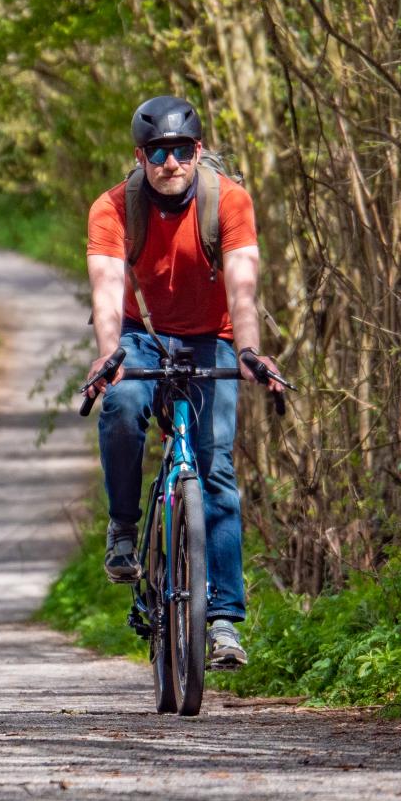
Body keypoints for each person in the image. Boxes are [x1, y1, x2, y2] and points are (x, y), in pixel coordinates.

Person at [81, 95, 286, 670]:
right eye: (157, 152)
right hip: (141, 333)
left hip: (212, 337)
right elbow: (103, 291)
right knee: (121, 403)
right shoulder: (114, 208)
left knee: (215, 467)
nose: (170, 163)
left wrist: (248, 351)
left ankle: (223, 620)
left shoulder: (230, 202)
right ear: (140, 156)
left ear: (198, 151)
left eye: (181, 151)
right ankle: (123, 528)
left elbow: (243, 288)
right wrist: (108, 357)